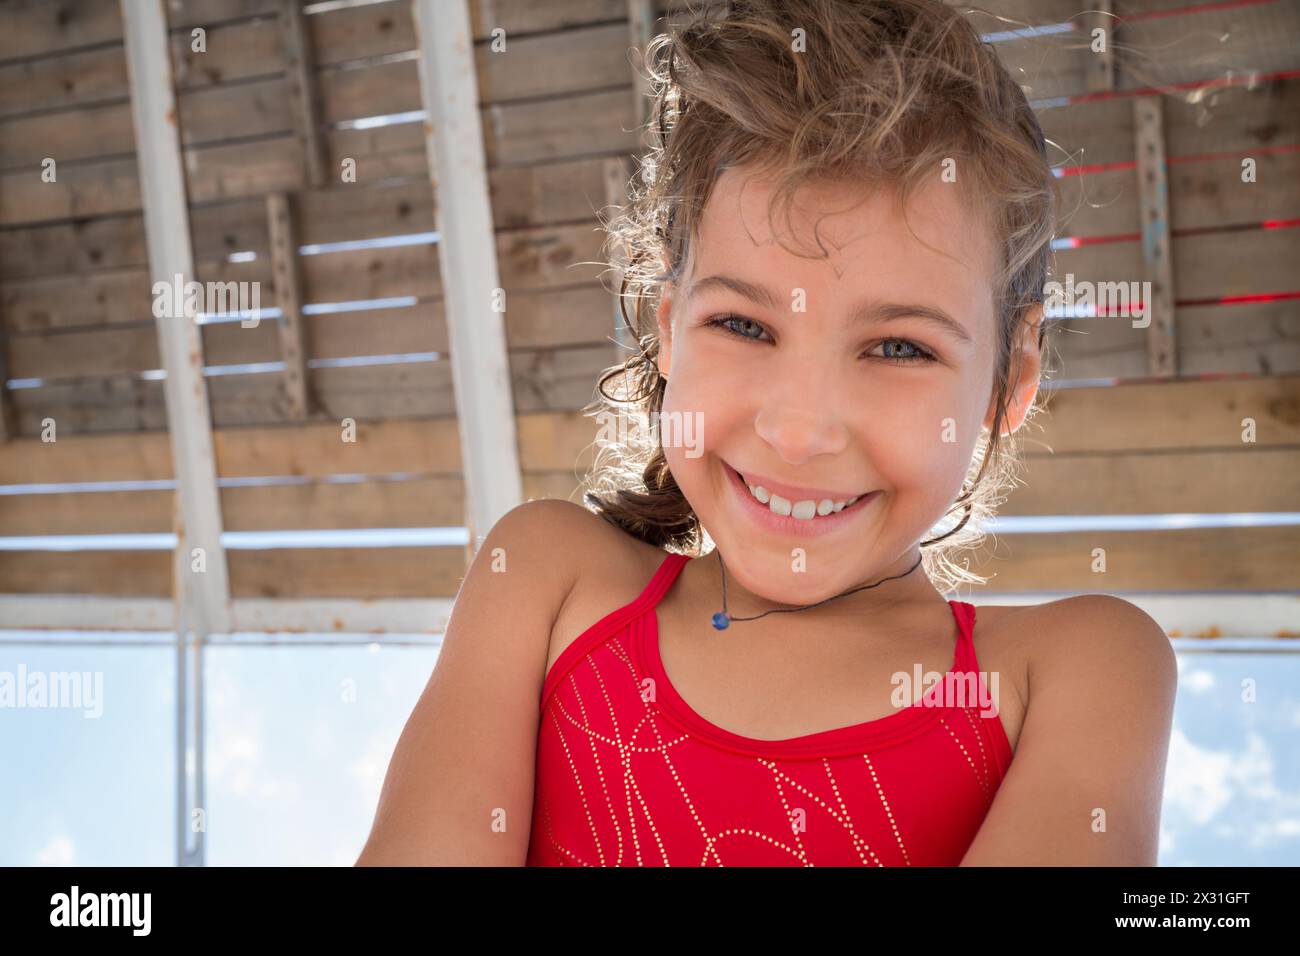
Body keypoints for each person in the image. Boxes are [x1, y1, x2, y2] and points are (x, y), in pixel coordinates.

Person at [356, 0, 1176, 867]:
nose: (797, 430)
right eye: (744, 327)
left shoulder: (1077, 670)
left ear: (1010, 381)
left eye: (899, 346)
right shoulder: (548, 576)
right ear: (668, 332)